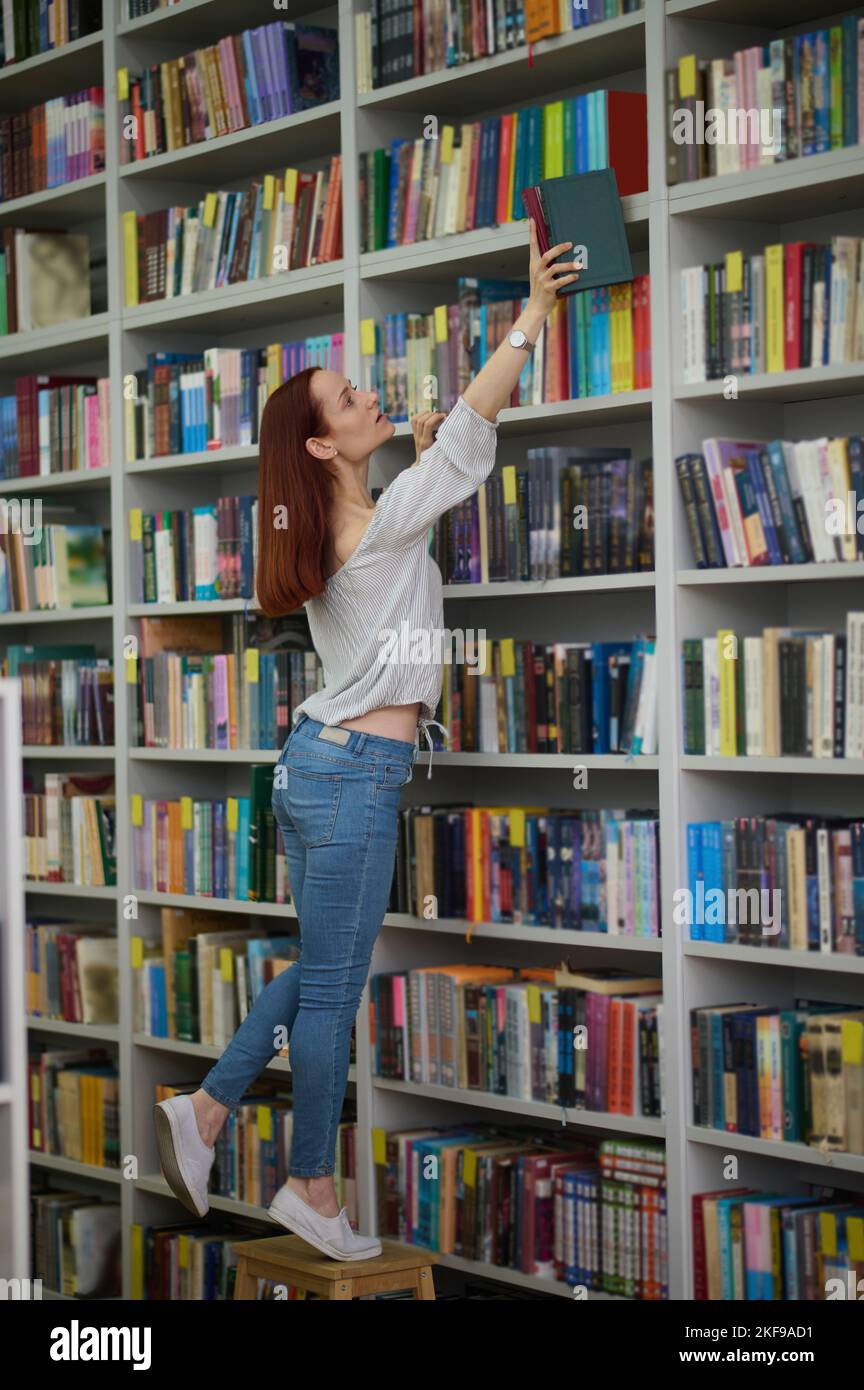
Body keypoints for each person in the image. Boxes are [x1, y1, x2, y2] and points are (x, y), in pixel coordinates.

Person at [153, 222, 581, 1262]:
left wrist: (425, 440)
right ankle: (308, 1182)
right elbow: (469, 444)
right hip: (352, 777)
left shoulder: (357, 523)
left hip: (320, 767)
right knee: (337, 988)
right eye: (350, 401)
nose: (369, 397)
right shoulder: (371, 525)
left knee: (320, 966)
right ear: (319, 445)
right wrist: (533, 316)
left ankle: (206, 1112)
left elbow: (435, 468)